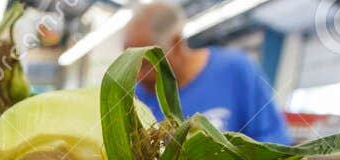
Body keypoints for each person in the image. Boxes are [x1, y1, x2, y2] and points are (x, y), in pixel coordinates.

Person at [121, 2, 290, 144]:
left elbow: (275, 143)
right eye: (131, 66)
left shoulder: (237, 70)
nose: (137, 77)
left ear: (176, 44)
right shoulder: (136, 96)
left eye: (145, 64)